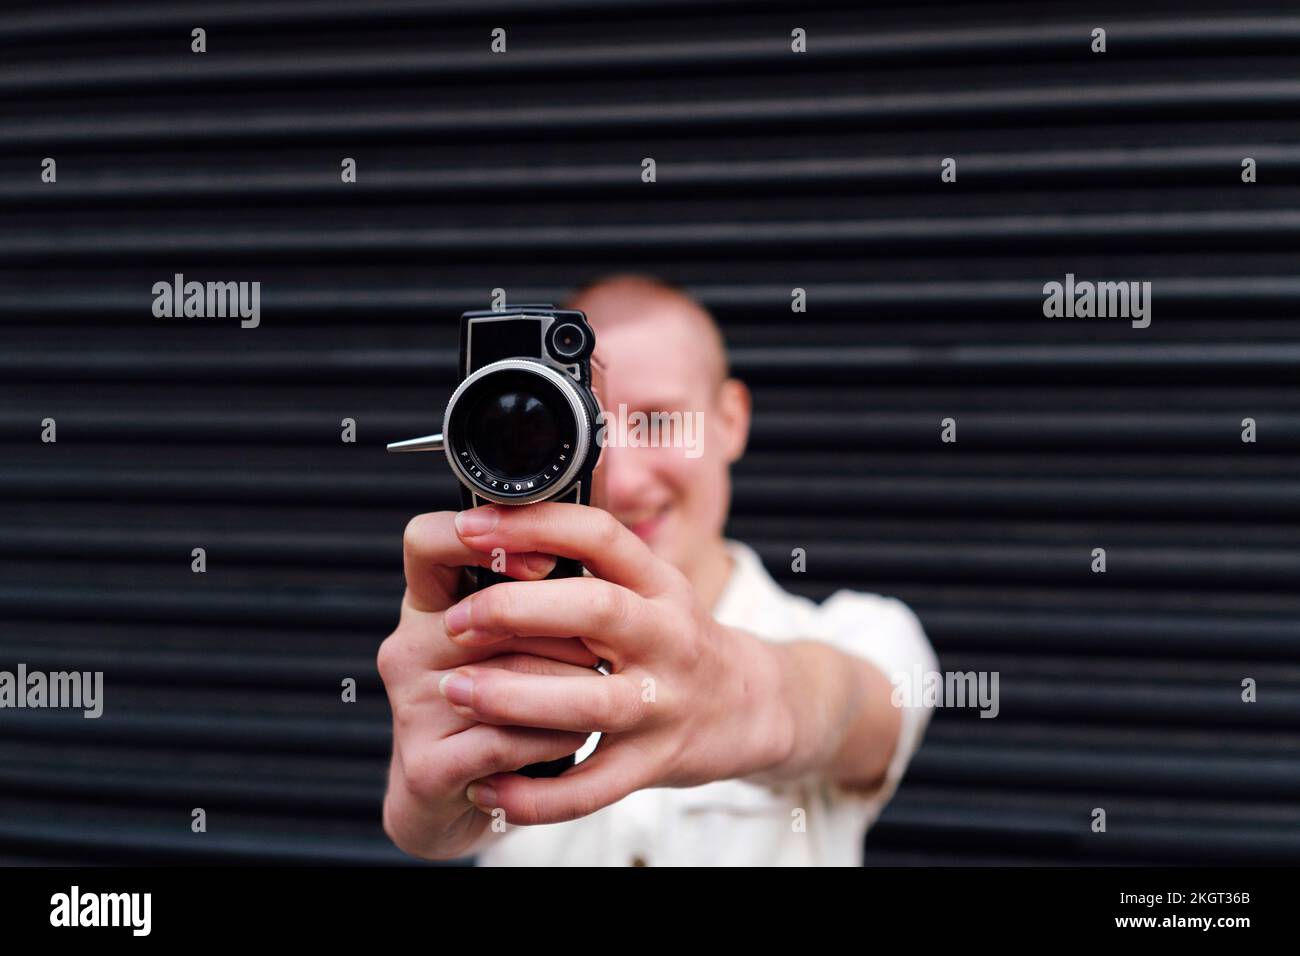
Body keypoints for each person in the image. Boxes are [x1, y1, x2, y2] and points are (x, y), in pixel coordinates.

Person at [377, 275, 939, 866]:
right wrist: (429, 808)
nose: (623, 479)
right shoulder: (498, 641)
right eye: (587, 434)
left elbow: (849, 707)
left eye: (658, 422)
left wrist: (740, 690)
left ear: (730, 420)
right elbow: (463, 820)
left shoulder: (865, 631)